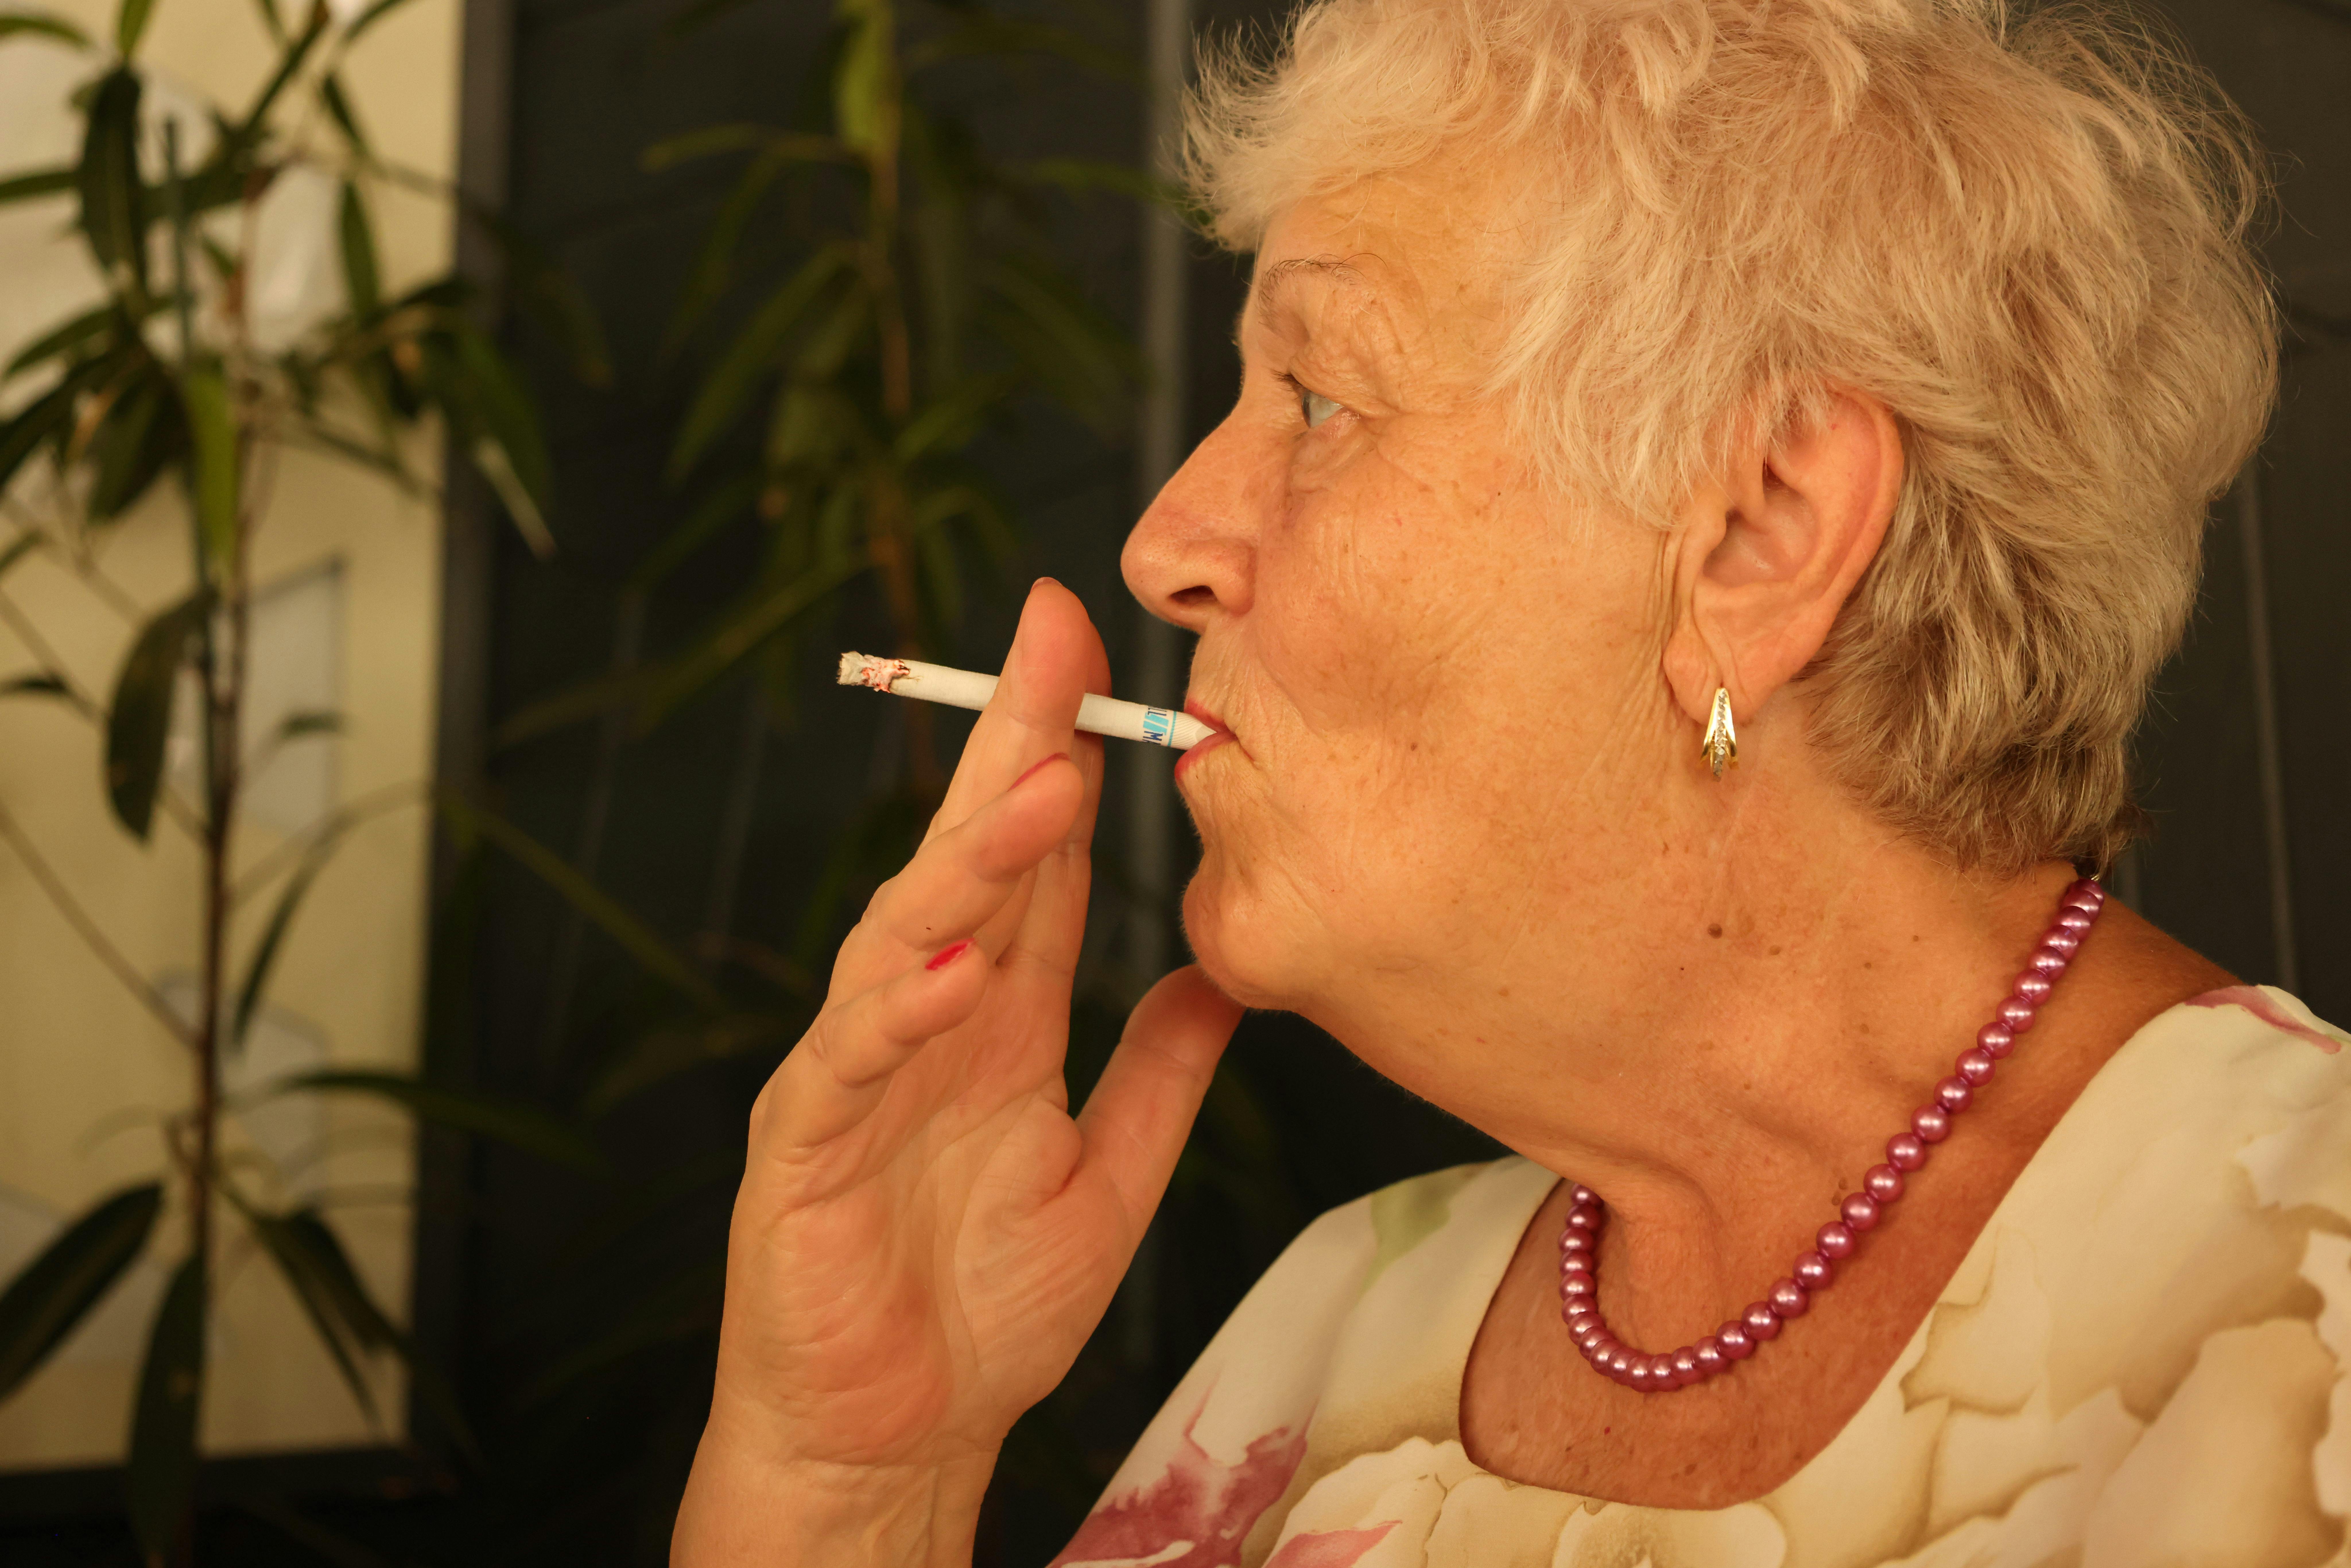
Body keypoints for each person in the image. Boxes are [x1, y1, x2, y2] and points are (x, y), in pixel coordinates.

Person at [672, 0, 2350, 1561]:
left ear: (1761, 532)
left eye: (1321, 396)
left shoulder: (2310, 1298)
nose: (1166, 541)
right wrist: (850, 1484)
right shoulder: (1331, 1344)